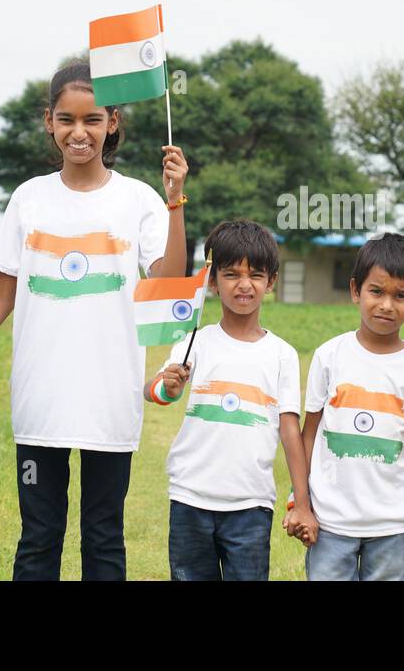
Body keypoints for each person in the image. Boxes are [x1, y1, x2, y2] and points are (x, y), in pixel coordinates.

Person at [0, 61, 188, 580]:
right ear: (49, 121)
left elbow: (167, 281)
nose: (79, 132)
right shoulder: (29, 197)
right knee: (39, 536)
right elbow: (3, 294)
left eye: (92, 120)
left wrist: (175, 200)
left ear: (112, 122)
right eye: (67, 120)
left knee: (103, 535)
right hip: (40, 394)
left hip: (110, 396)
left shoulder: (139, 199)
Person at [146, 219, 315, 580]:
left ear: (270, 282)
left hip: (250, 505)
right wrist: (169, 386)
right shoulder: (196, 341)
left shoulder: (282, 354)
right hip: (190, 498)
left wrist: (302, 501)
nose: (244, 284)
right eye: (231, 273)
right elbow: (156, 391)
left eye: (255, 274)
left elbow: (289, 430)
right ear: (212, 282)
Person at [299, 233, 404, 581]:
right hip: (332, 518)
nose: (387, 305)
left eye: (401, 296)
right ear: (355, 291)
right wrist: (301, 501)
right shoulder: (330, 356)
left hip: (394, 522)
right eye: (376, 291)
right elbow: (310, 433)